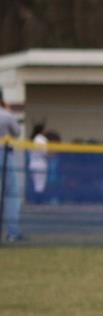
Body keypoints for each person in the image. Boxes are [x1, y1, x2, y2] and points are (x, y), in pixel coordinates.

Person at [0, 97, 25, 241]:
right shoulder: (5, 114)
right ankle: (13, 232)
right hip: (3, 154)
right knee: (10, 194)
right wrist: (7, 110)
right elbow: (16, 132)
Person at [28, 121, 50, 203]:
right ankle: (38, 201)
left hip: (32, 163)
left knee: (34, 183)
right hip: (40, 163)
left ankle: (34, 201)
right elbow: (45, 152)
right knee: (40, 183)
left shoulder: (32, 139)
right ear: (41, 130)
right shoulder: (42, 139)